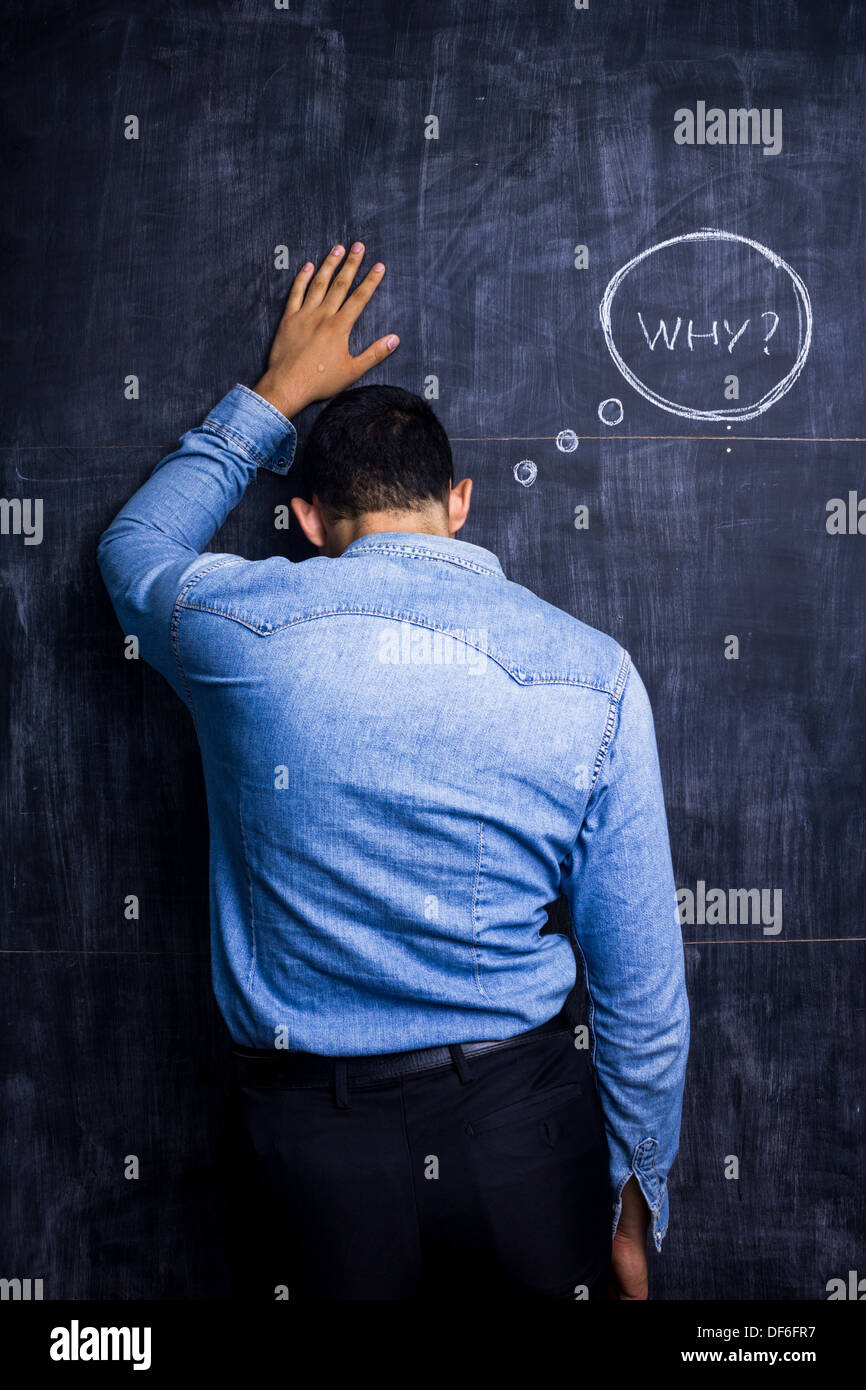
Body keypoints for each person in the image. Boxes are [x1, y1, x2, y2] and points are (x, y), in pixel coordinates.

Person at [97, 241, 690, 1301]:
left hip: (313, 1160)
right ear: (458, 502)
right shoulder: (591, 673)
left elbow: (134, 545)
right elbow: (640, 980)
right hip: (525, 1136)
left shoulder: (234, 624)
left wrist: (274, 395)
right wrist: (632, 1197)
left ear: (310, 521)